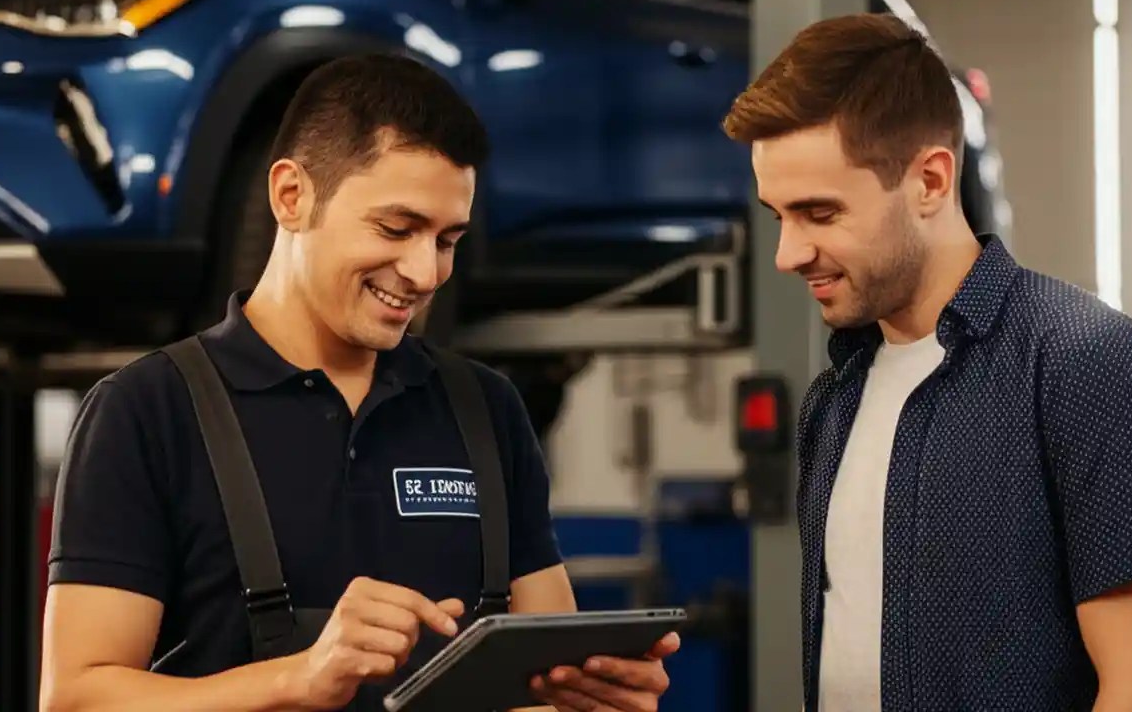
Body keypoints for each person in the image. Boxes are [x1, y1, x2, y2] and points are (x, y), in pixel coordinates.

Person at [40, 53, 677, 712]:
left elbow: (546, 679)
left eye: (447, 240)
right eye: (396, 229)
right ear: (291, 195)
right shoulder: (146, 415)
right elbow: (78, 698)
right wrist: (298, 678)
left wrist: (596, 695)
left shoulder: (486, 410)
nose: (425, 271)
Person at [723, 13, 1132, 712]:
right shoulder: (835, 398)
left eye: (819, 214)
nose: (788, 255)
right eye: (778, 216)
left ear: (930, 180)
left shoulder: (1087, 367)